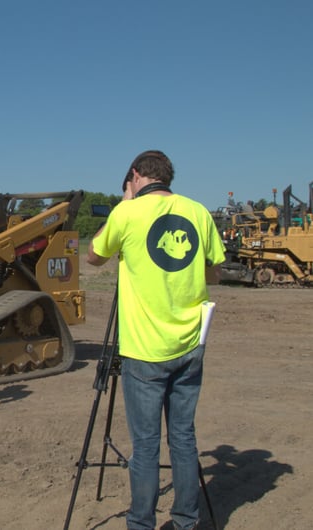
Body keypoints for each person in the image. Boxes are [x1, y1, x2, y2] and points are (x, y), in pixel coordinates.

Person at [87, 150, 225, 530]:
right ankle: (185, 521)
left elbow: (93, 256)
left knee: (146, 446)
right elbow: (214, 271)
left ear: (136, 175)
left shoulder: (127, 213)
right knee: (183, 438)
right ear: (167, 176)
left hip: (144, 349)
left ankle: (141, 524)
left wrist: (124, 204)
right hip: (190, 343)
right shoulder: (197, 212)